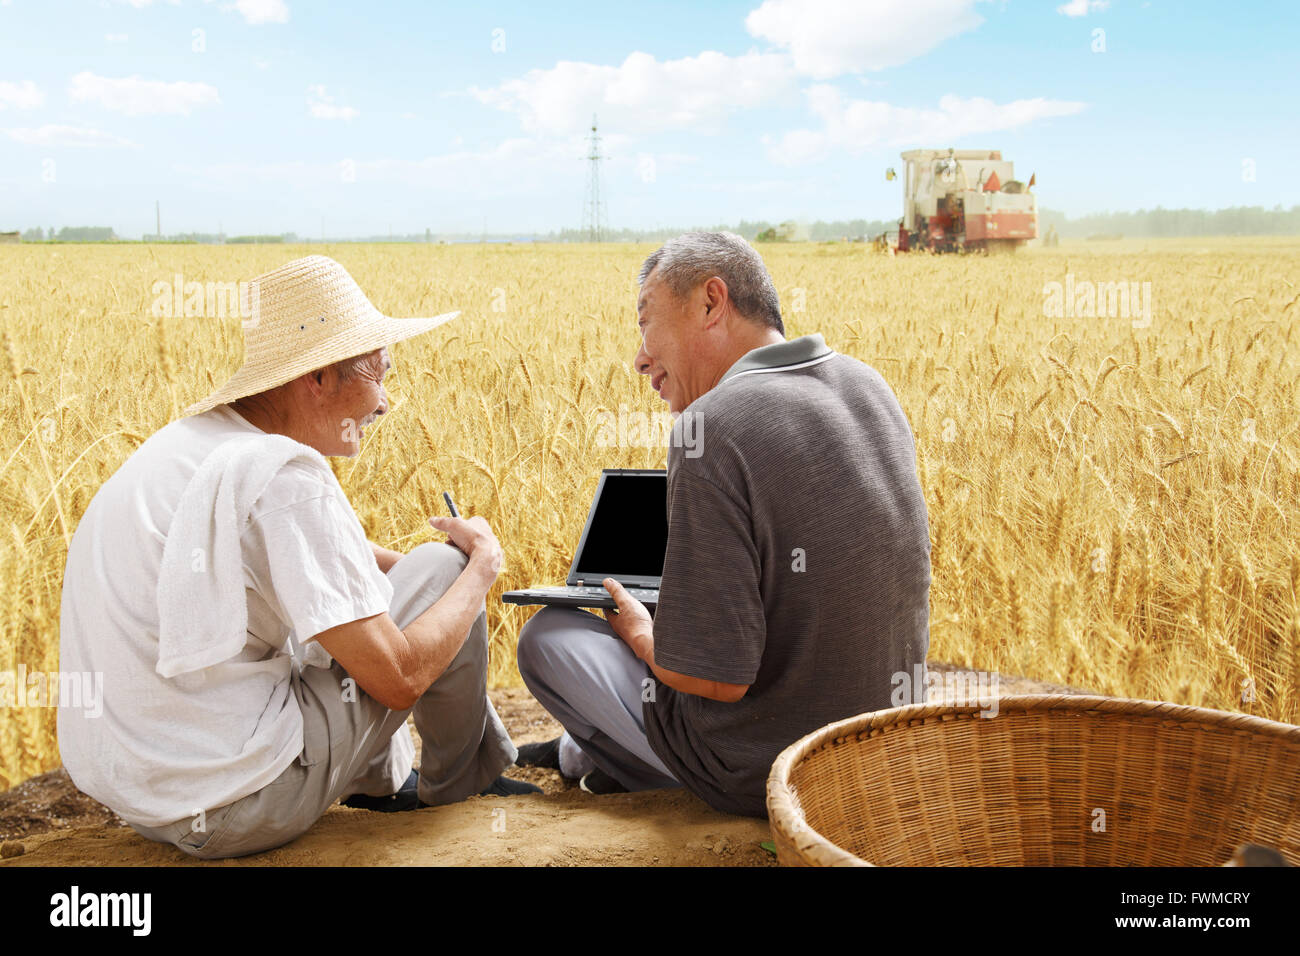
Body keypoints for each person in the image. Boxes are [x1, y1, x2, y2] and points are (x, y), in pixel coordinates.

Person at [57, 254, 537, 861]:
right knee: (443, 579)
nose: (385, 403)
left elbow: (308, 558)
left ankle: (379, 783)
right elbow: (400, 678)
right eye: (378, 374)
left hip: (155, 801)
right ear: (317, 377)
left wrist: (405, 562)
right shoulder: (288, 477)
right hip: (244, 805)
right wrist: (478, 568)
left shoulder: (186, 449)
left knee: (371, 597)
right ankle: (461, 782)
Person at [515, 232, 931, 817]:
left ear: (712, 302)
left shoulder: (711, 425)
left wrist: (640, 633)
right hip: (881, 748)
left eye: (646, 324)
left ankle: (620, 764)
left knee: (549, 637)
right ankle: (584, 757)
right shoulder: (869, 386)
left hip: (769, 769)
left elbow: (715, 679)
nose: (640, 358)